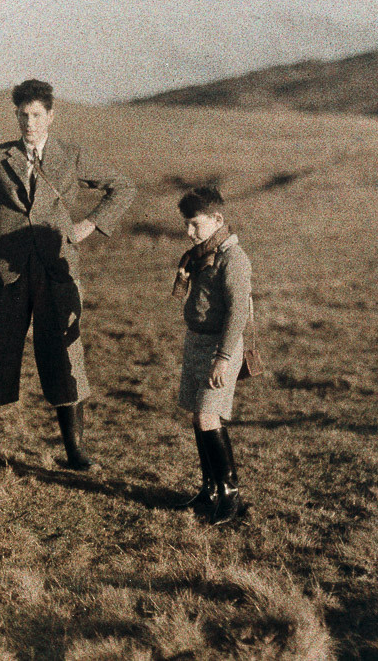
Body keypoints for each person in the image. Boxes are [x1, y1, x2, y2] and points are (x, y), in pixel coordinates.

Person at [0, 79, 135, 476]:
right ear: (16, 115)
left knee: (66, 358)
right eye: (22, 115)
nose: (29, 123)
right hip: (10, 274)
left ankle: (76, 453)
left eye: (36, 115)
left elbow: (122, 187)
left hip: (58, 272)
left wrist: (88, 226)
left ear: (50, 116)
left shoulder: (72, 156)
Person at [171, 186, 253, 525]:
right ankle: (210, 490)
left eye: (195, 224)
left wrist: (222, 358)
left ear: (218, 219)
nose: (189, 232)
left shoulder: (233, 258)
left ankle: (230, 495)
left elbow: (237, 315)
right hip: (197, 343)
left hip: (220, 348)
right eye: (185, 225)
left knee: (208, 417)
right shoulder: (203, 253)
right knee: (197, 416)